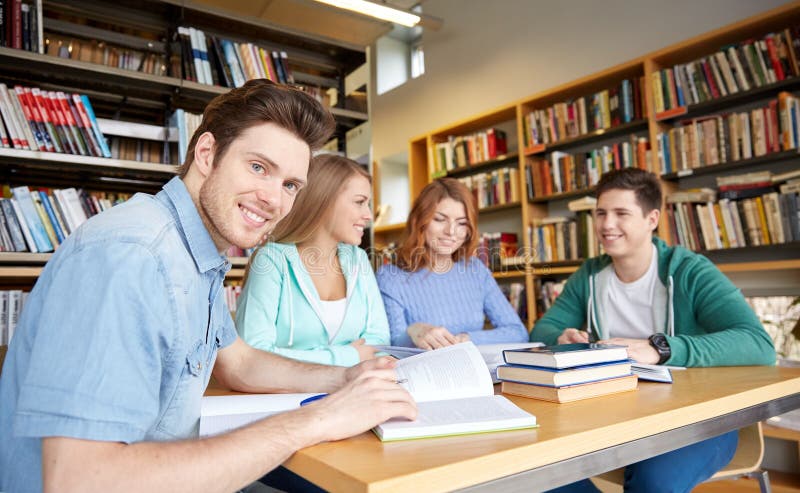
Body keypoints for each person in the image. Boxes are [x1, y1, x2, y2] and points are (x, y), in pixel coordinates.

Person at [0, 79, 416, 493]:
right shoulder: (133, 257)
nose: (274, 199)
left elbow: (238, 363)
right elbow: (78, 481)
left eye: (290, 185)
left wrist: (345, 379)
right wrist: (319, 420)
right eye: (258, 167)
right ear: (206, 153)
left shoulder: (196, 253)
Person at [531, 168, 775, 493]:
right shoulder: (590, 275)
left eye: (621, 213)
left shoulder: (689, 271)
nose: (606, 225)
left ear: (652, 219)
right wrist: (562, 338)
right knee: (539, 472)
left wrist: (661, 348)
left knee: (653, 482)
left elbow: (759, 344)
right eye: (601, 213)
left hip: (700, 421)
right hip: (616, 418)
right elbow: (542, 329)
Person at [236, 154, 389, 366]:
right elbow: (254, 353)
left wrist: (303, 357)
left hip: (354, 390)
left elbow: (379, 343)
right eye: (360, 202)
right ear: (324, 200)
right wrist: (347, 356)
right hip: (283, 396)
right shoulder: (271, 261)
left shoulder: (359, 259)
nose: (368, 215)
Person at [377, 177, 529, 349]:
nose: (451, 231)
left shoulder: (475, 270)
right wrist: (414, 331)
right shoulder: (390, 277)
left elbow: (518, 332)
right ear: (419, 221)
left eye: (461, 223)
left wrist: (466, 339)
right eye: (440, 219)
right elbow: (393, 344)